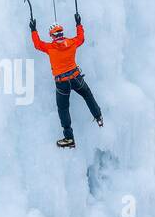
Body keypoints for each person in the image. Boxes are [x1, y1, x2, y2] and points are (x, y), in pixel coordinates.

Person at [30, 8, 103, 148]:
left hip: (62, 82)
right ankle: (98, 116)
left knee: (63, 109)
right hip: (76, 78)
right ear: (62, 33)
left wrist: (33, 30)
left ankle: (69, 138)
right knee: (87, 95)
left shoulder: (50, 47)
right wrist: (78, 23)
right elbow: (81, 38)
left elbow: (37, 44)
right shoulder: (72, 43)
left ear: (52, 35)